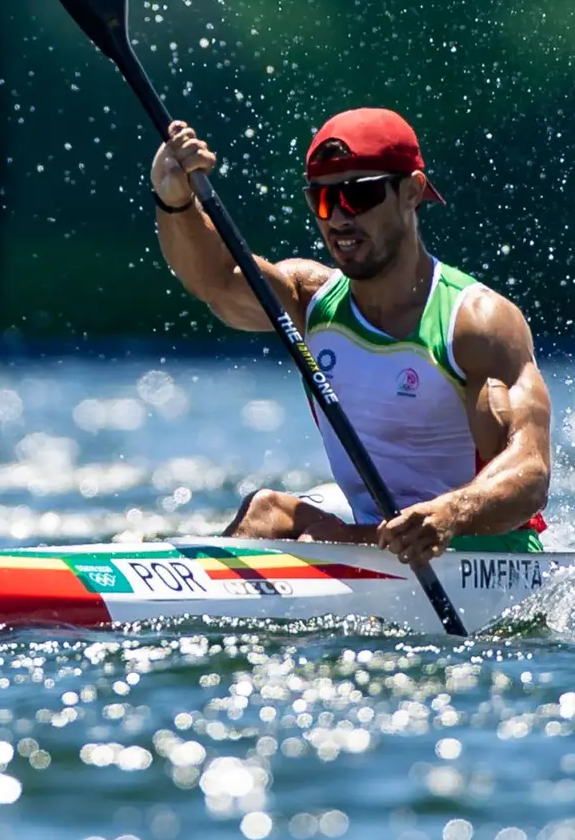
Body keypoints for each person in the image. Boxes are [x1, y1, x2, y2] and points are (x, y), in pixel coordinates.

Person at [151, 107, 550, 567]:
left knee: (311, 534)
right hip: (375, 531)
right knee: (265, 511)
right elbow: (216, 280)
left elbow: (529, 472)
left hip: (477, 547)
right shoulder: (311, 300)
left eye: (359, 195)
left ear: (412, 191)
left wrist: (448, 513)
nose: (338, 217)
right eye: (322, 199)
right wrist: (176, 202)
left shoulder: (474, 322)